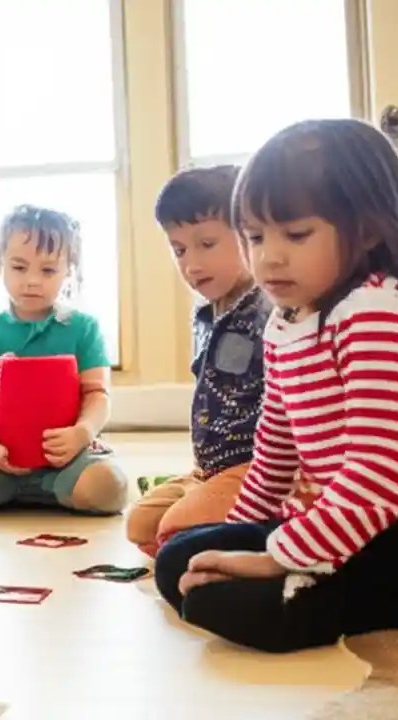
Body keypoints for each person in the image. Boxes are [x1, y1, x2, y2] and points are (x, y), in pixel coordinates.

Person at [153, 118, 398, 653]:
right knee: (179, 560)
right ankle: (297, 572)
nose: (268, 256)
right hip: (359, 524)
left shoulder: (380, 313)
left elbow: (383, 473)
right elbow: (274, 450)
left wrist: (276, 556)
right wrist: (242, 534)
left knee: (217, 601)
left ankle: (306, 586)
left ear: (367, 229)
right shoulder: (286, 321)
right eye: (254, 237)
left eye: (296, 235)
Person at [0, 204, 127, 515]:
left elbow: (97, 395)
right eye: (19, 268)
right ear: (0, 265)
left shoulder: (83, 327)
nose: (32, 280)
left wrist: (82, 434)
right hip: (3, 461)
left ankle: (56, 488)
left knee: (109, 486)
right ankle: (16, 489)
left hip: (71, 458)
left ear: (67, 271)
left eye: (48, 270)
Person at [125, 165, 271, 557]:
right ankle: (206, 514)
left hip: (259, 469)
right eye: (179, 249)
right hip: (209, 468)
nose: (192, 264)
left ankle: (263, 525)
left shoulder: (268, 308)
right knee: (138, 524)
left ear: (248, 234)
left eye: (207, 244)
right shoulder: (204, 314)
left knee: (174, 530)